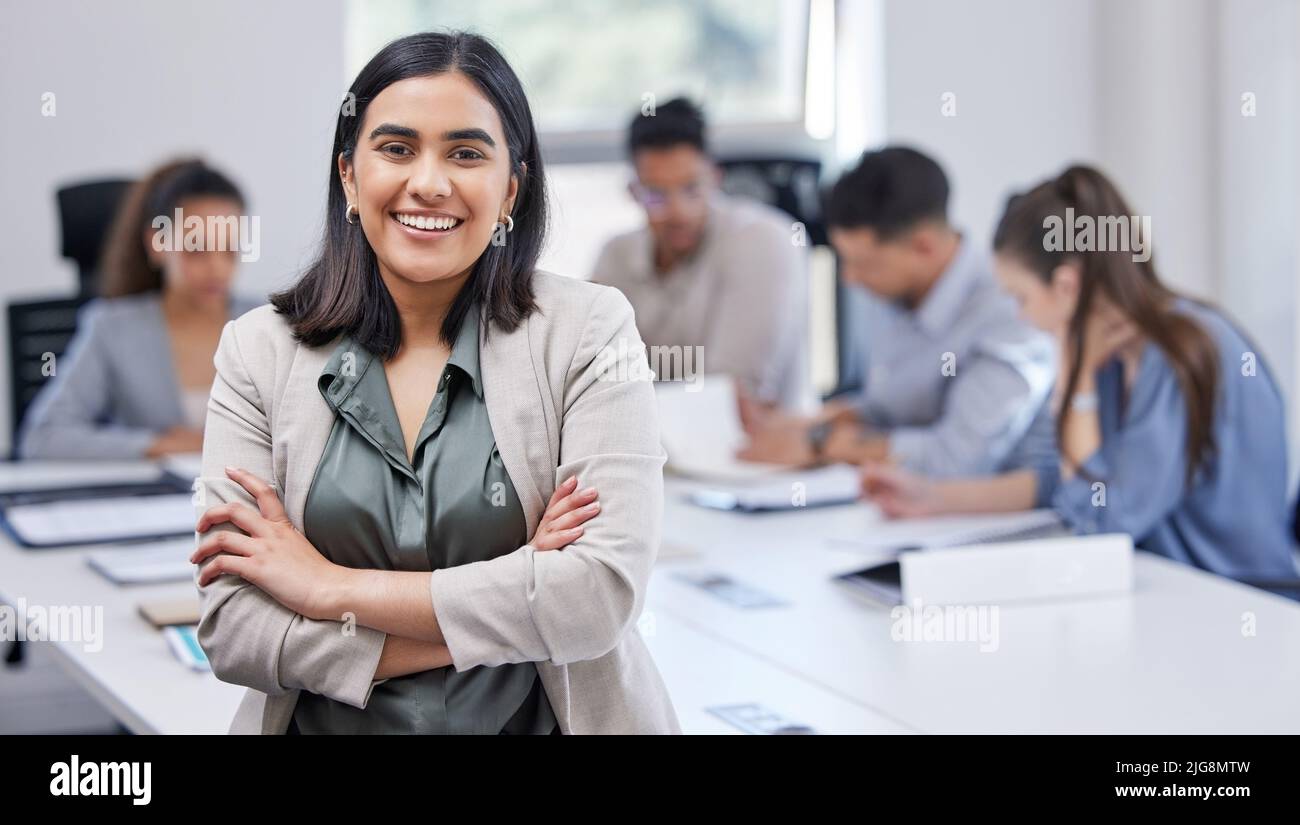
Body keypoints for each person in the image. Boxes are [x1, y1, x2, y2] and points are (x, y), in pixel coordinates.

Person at [190, 31, 679, 735]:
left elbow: (596, 599)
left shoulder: (591, 331)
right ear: (350, 178)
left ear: (510, 188)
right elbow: (235, 629)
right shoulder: (257, 351)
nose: (428, 181)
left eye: (466, 153)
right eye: (395, 148)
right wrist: (521, 591)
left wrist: (327, 586)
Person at [862, 165, 1298, 581]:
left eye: (1020, 297)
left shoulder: (1178, 353)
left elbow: (1101, 522)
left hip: (1239, 606)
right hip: (1170, 595)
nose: (1022, 317)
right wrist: (935, 499)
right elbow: (1061, 482)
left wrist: (1079, 377)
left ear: (1067, 286)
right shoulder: (1118, 354)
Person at [739, 146, 1055, 477]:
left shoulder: (1009, 310)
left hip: (995, 515)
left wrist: (820, 443)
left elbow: (957, 459)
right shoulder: (897, 293)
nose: (850, 278)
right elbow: (888, 410)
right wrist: (805, 423)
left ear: (924, 247)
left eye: (864, 264)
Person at [19, 159, 260, 460]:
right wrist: (158, 445)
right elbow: (43, 438)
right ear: (157, 243)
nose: (217, 268)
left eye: (229, 251)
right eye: (197, 250)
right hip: (154, 502)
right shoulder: (113, 327)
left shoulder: (267, 324)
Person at [590, 97, 808, 406]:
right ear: (633, 192)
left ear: (715, 179)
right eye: (656, 195)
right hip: (653, 444)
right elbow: (592, 376)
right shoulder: (616, 254)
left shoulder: (764, 240)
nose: (678, 211)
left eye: (692, 188)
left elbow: (736, 395)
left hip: (755, 449)